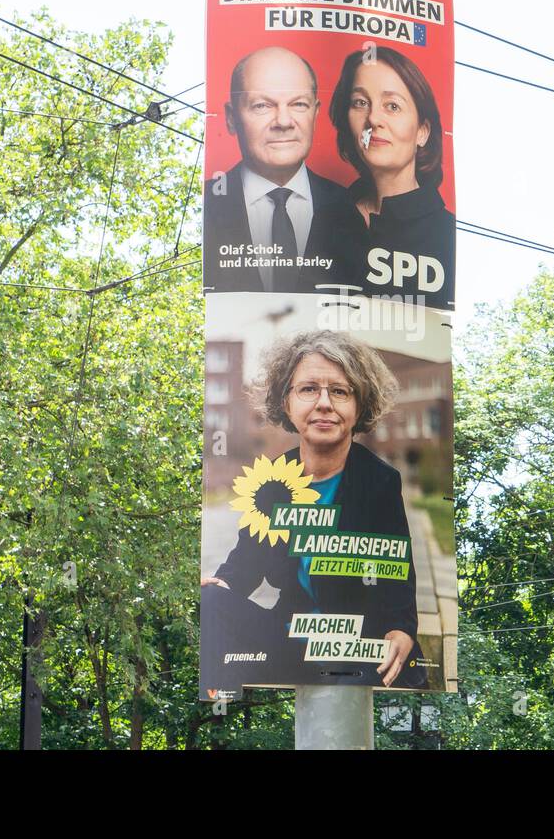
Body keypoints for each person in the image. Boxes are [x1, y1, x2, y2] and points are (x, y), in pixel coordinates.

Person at [200, 330, 425, 693]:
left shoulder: (380, 481)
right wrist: (221, 583)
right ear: (286, 402)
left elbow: (397, 572)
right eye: (308, 389)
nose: (324, 403)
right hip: (289, 642)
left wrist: (401, 631)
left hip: (354, 646)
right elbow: (245, 564)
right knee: (209, 598)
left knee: (404, 673)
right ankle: (221, 705)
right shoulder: (270, 481)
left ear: (359, 405)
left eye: (339, 391)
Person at [203, 46, 364, 293]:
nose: (284, 122)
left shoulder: (348, 208)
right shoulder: (208, 201)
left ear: (315, 112)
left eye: (298, 104)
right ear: (231, 118)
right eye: (262, 106)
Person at [329, 46, 455, 309]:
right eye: (360, 103)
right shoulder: (319, 217)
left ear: (422, 131)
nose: (373, 118)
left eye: (393, 106)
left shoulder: (444, 234)